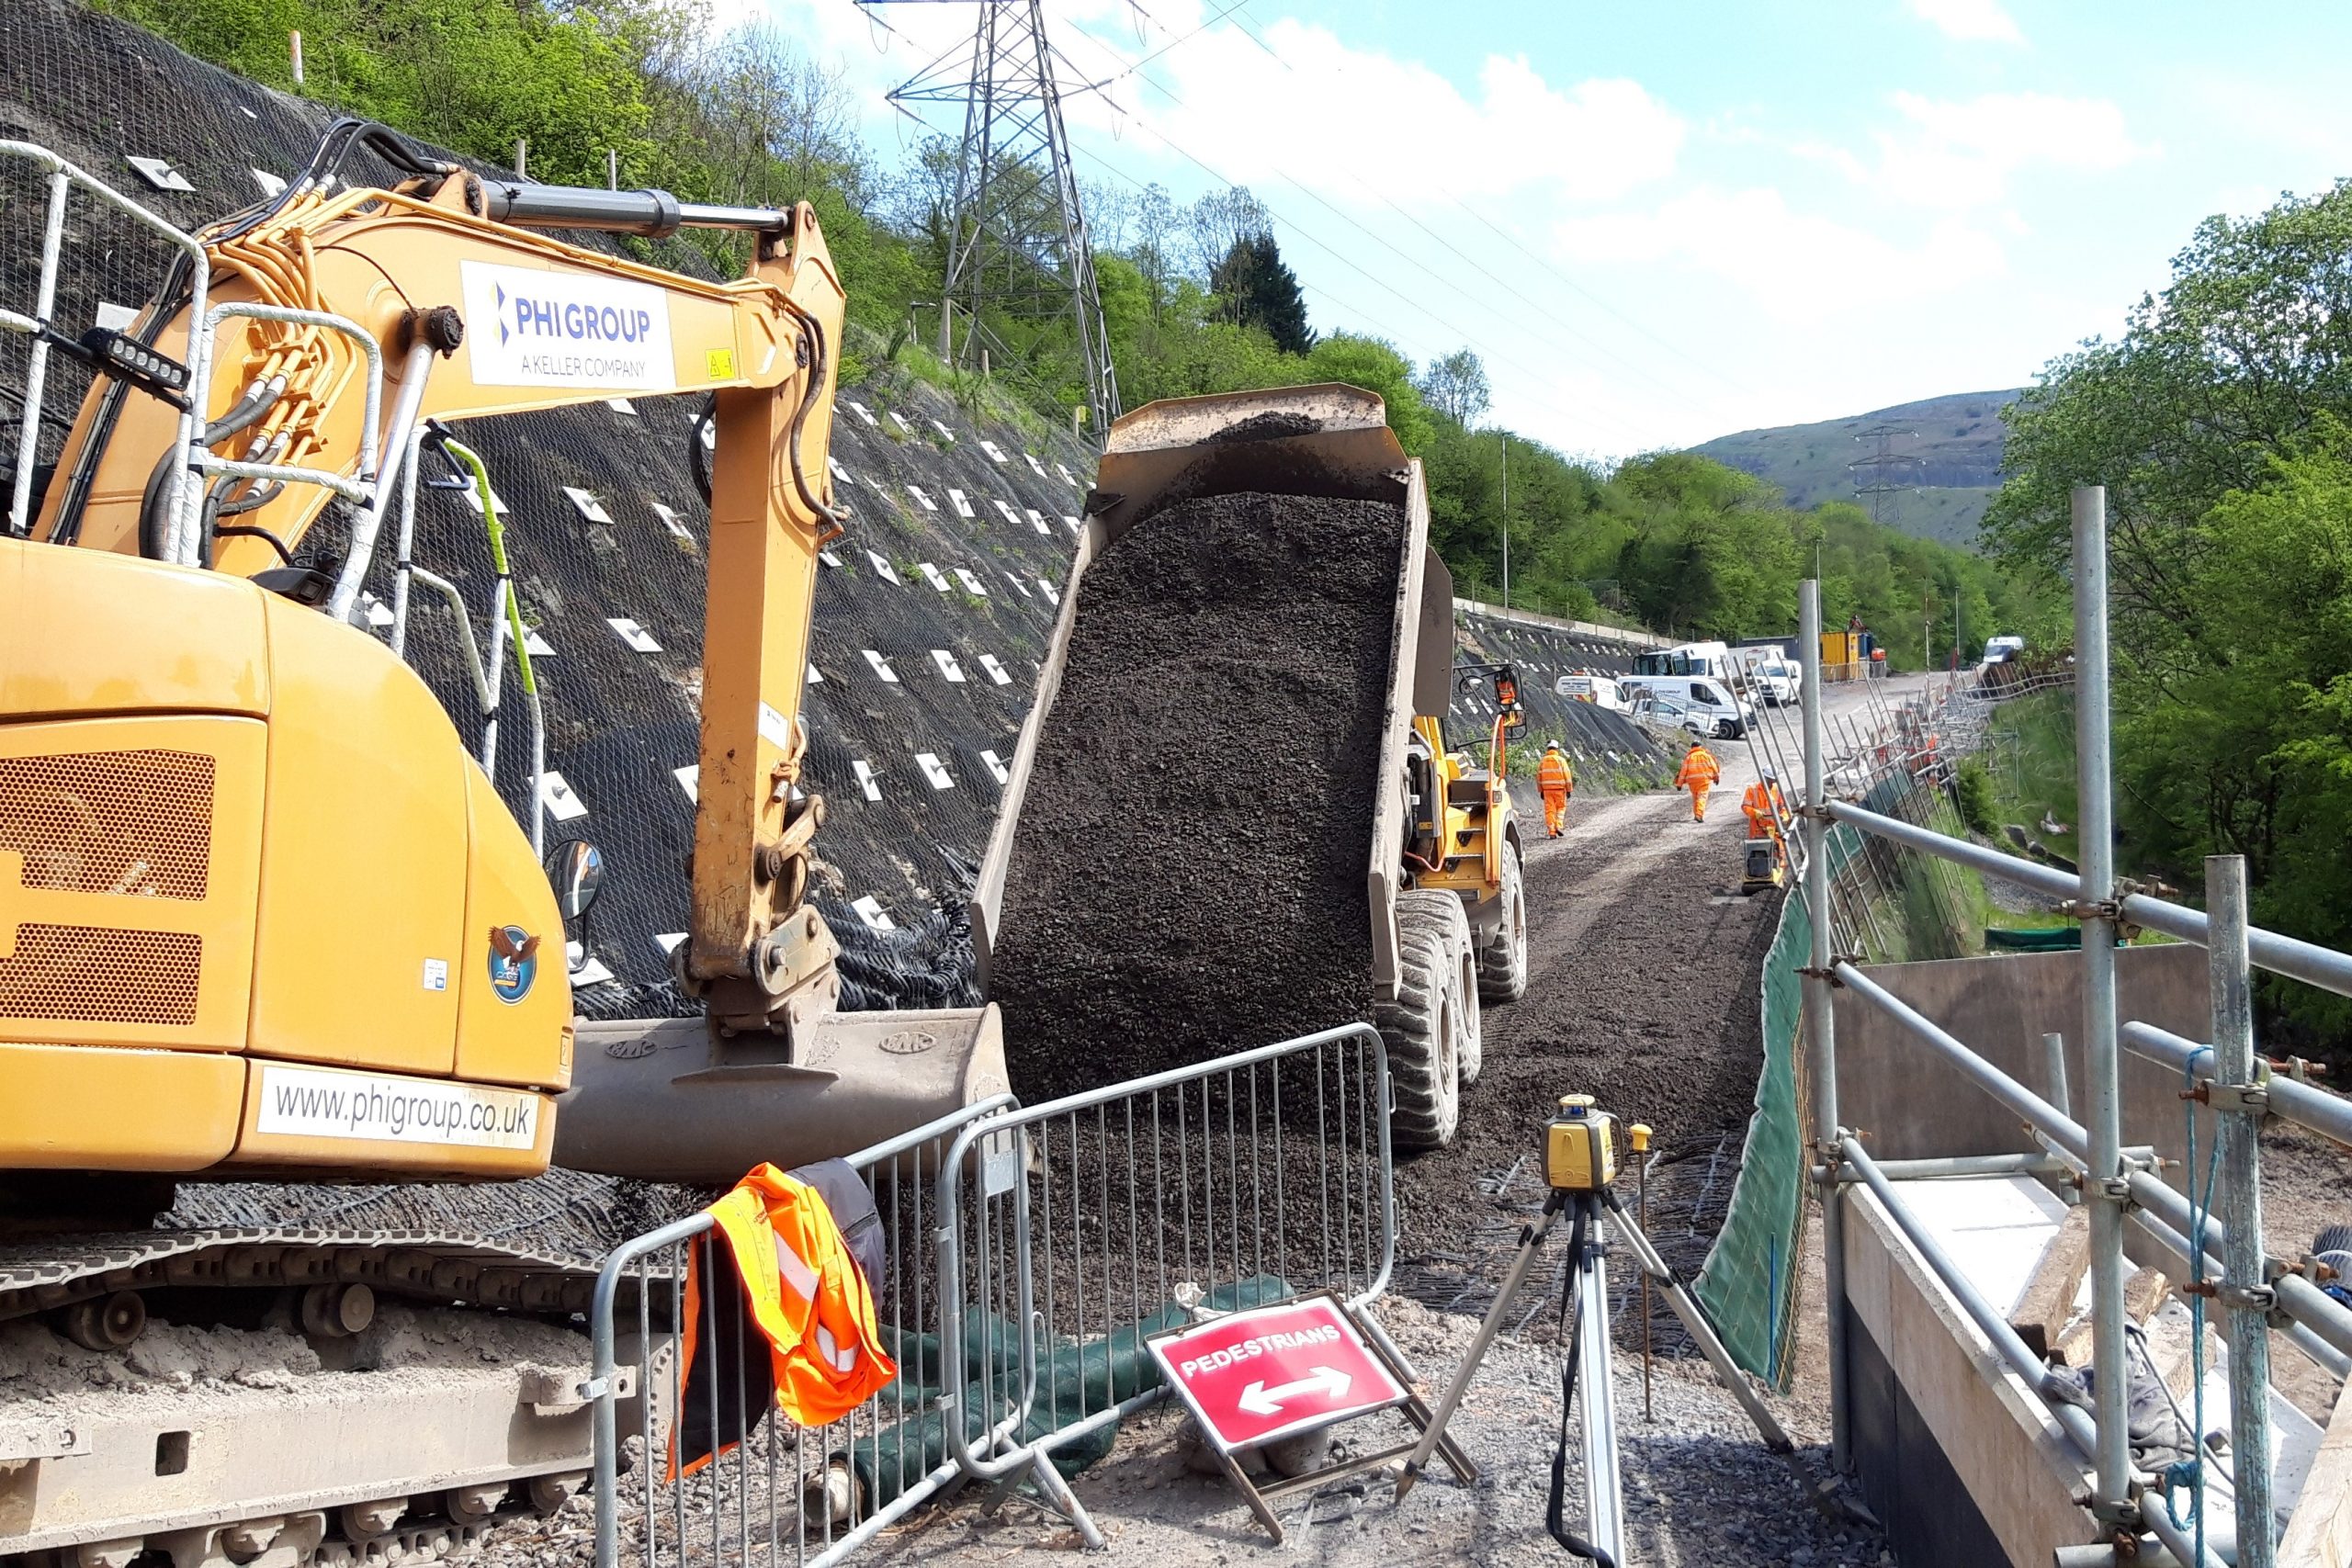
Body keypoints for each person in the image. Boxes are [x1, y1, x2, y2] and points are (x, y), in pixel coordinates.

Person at [1741, 768, 1790, 864]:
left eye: (1773, 781)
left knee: (1780, 855)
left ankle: (1780, 876)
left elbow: (1782, 808)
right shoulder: (1752, 790)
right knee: (1759, 858)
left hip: (1774, 830)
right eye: (1770, 780)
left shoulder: (1776, 790)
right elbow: (1745, 807)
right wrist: (1755, 812)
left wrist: (1784, 817)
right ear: (1764, 778)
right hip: (1758, 831)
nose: (1772, 783)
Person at [1675, 739, 1721, 821]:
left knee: (1696, 798)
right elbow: (1714, 768)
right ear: (1700, 747)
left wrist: (1679, 784)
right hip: (1704, 780)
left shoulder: (1689, 757)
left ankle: (1696, 814)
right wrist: (1716, 778)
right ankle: (1699, 815)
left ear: (1692, 748)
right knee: (1702, 797)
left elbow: (1683, 772)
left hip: (1692, 782)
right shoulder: (1706, 756)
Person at [1535, 741, 1574, 837]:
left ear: (1548, 749)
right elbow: (1567, 776)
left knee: (1550, 810)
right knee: (1561, 808)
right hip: (1560, 790)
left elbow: (1539, 777)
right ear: (1556, 749)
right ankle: (1558, 826)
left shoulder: (1543, 761)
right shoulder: (1561, 760)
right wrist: (1569, 789)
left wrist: (1541, 791)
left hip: (1547, 791)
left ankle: (1552, 832)